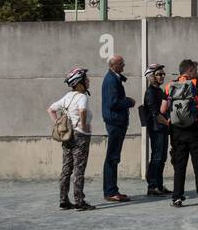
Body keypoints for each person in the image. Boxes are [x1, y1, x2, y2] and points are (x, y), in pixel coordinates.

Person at [164, 59, 198, 208]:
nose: (197, 74)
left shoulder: (169, 86)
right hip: (194, 129)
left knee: (179, 165)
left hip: (177, 131)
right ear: (190, 70)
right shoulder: (194, 84)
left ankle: (177, 198)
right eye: (196, 71)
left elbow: (162, 109)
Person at [48, 67, 94, 210]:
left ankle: (63, 199)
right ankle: (79, 201)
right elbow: (82, 111)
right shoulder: (82, 97)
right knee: (79, 169)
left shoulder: (67, 96)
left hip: (67, 136)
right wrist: (84, 125)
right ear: (79, 83)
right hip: (80, 136)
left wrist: (57, 122)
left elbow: (51, 109)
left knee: (66, 168)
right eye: (86, 79)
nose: (88, 80)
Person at [100, 55, 135, 201]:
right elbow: (113, 103)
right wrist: (128, 101)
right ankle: (110, 191)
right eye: (122, 63)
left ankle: (112, 190)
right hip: (115, 123)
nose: (124, 66)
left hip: (117, 122)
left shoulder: (114, 78)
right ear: (114, 65)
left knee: (114, 157)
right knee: (112, 157)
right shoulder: (111, 80)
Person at [142, 64, 170, 196]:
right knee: (157, 157)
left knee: (162, 157)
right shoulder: (150, 92)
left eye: (163, 74)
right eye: (159, 74)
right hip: (156, 128)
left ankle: (159, 185)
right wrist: (168, 123)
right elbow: (156, 114)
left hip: (162, 128)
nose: (162, 76)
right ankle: (152, 186)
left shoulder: (159, 90)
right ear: (151, 76)